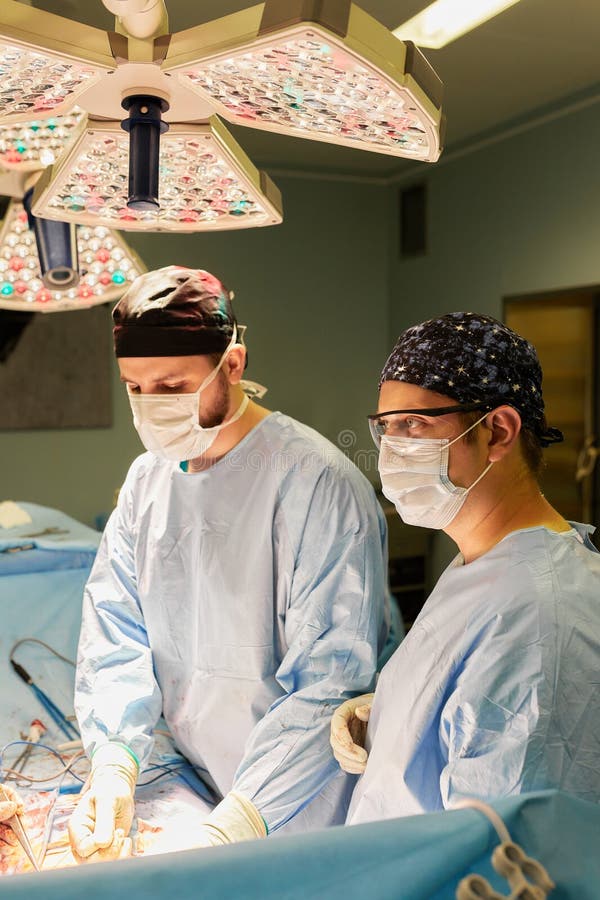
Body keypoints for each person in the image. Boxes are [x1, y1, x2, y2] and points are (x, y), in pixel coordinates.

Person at [68, 265, 398, 860]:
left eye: (171, 387)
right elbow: (117, 627)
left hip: (299, 805)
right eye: (134, 388)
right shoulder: (148, 481)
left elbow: (330, 683)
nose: (149, 408)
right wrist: (116, 760)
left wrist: (245, 817)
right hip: (200, 779)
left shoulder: (314, 483)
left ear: (233, 365)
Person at [331, 311, 600, 823]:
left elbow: (500, 852)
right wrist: (392, 716)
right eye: (386, 426)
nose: (392, 449)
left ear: (498, 431)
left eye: (415, 423)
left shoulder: (540, 615)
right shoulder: (482, 563)